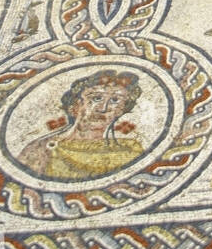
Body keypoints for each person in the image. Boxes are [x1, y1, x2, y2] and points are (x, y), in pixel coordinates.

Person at [16, 70, 144, 179]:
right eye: (96, 98)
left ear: (121, 110)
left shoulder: (129, 149)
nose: (103, 108)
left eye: (115, 100)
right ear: (75, 106)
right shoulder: (41, 148)